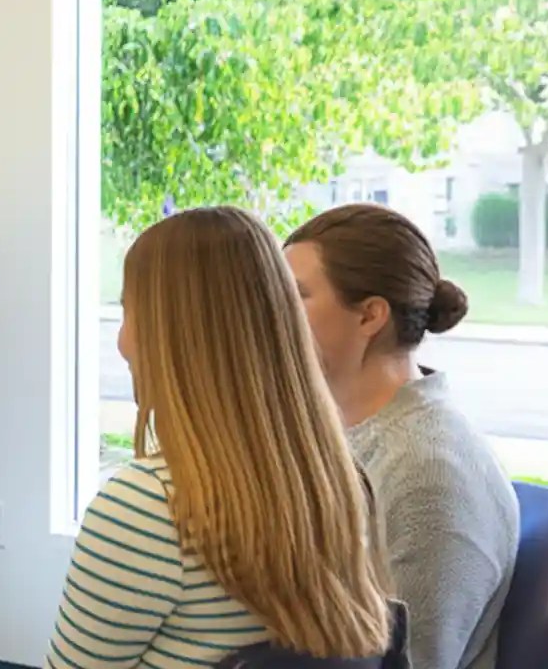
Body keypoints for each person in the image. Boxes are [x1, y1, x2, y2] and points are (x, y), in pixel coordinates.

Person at [46, 206, 396, 668]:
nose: (122, 341)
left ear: (169, 336)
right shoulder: (340, 484)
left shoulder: (146, 508)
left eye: (129, 312)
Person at [284, 203, 519, 669]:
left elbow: (403, 662)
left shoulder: (426, 476)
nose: (274, 316)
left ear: (370, 316)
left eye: (296, 297)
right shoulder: (349, 432)